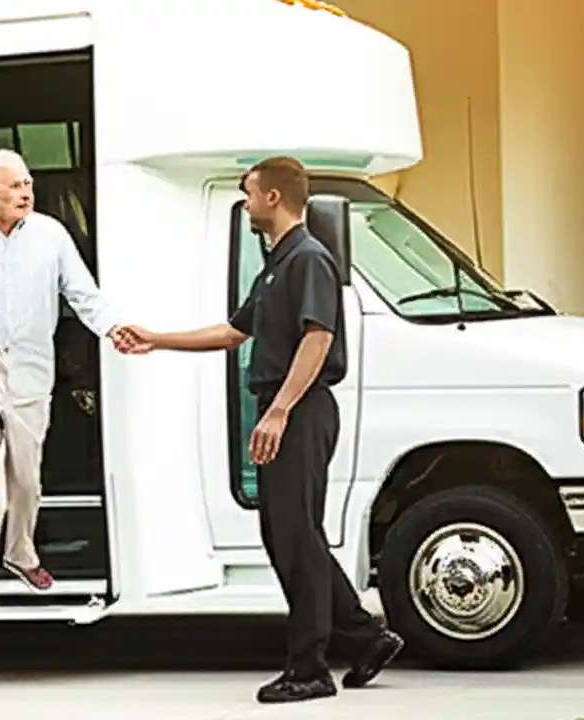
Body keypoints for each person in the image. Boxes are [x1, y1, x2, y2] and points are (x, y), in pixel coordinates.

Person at [114, 156, 403, 704]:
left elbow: (317, 339)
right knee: (292, 535)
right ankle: (365, 640)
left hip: (301, 410)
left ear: (272, 197)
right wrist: (156, 338)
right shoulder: (275, 265)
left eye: (248, 194)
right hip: (288, 408)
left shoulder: (309, 260)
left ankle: (310, 670)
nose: (245, 204)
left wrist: (279, 412)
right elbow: (231, 331)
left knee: (295, 536)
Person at [0, 148, 124, 614]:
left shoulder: (51, 235)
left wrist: (115, 329)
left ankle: (20, 553)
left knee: (26, 479)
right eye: (15, 186)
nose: (26, 192)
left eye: (29, 183)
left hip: (33, 363)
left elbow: (82, 293)